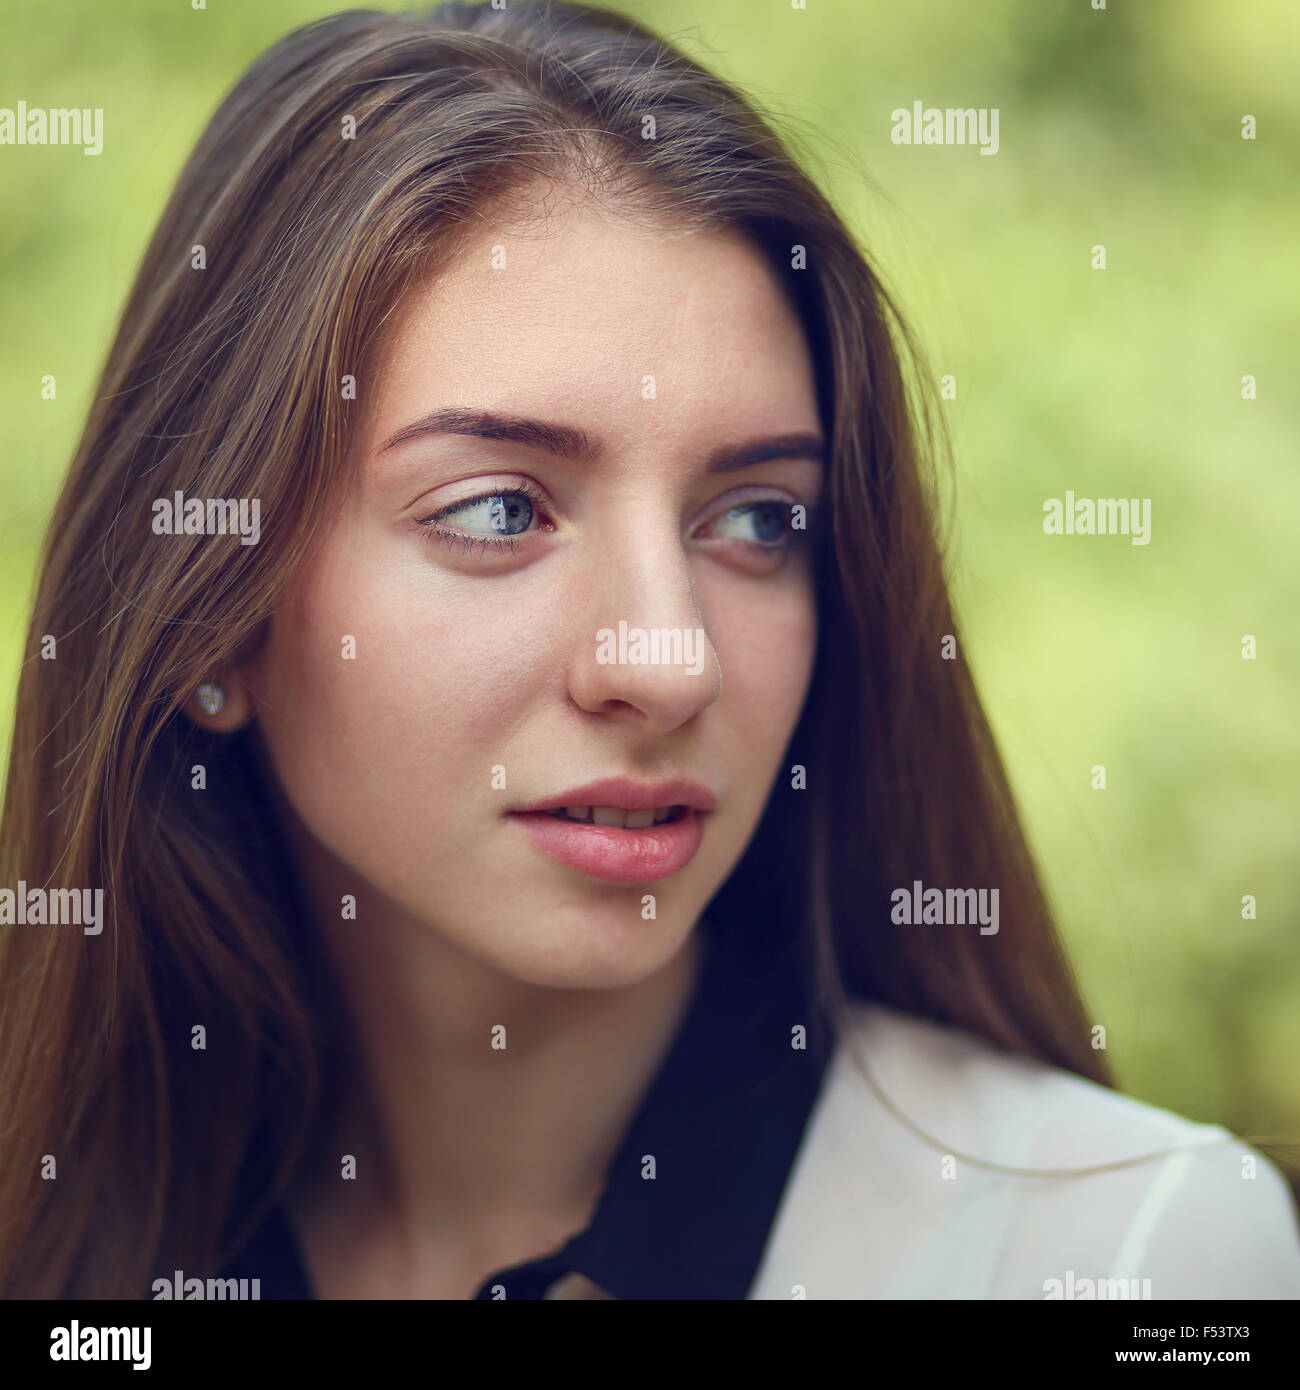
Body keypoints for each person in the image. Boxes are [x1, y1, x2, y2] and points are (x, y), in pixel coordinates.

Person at [1, 1, 1296, 1300]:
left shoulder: (1130, 1251)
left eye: (754, 519)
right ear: (211, 616)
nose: (671, 658)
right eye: (502, 510)